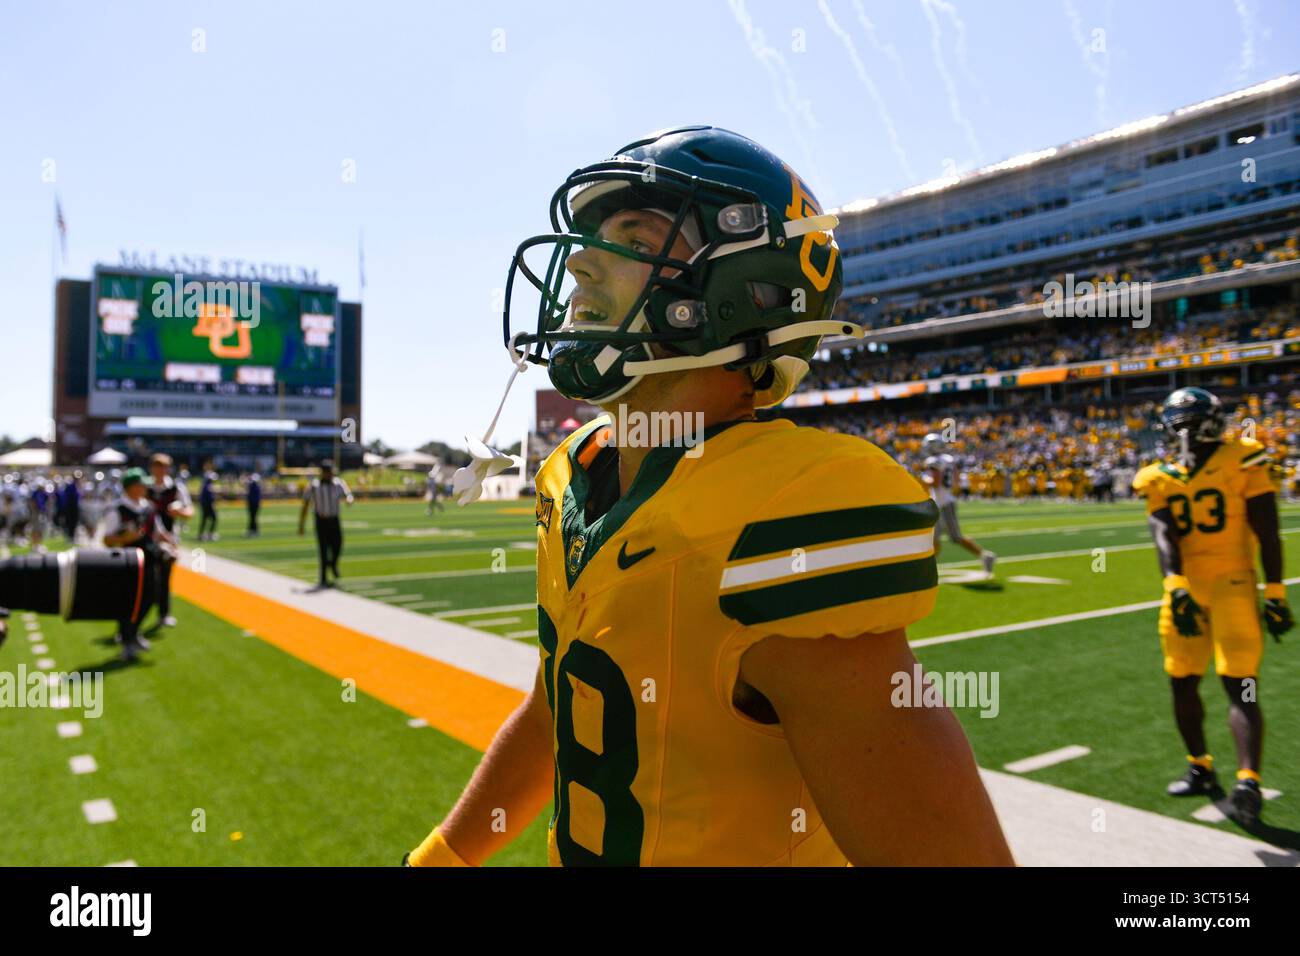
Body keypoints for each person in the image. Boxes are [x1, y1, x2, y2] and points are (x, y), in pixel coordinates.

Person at [407, 127, 1012, 867]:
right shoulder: (572, 475)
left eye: (633, 235)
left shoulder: (784, 506)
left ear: (739, 293)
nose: (583, 263)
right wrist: (439, 859)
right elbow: (552, 716)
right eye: (590, 238)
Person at [1133, 387, 1293, 826]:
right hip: (1189, 587)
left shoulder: (1243, 457)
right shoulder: (1159, 475)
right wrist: (1176, 584)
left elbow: (1266, 528)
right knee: (1182, 680)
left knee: (1239, 683)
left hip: (1233, 582)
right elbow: (1163, 534)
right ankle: (1200, 766)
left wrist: (1275, 591)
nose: (1181, 432)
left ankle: (1247, 781)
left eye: (1184, 424)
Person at [101, 468, 174, 662]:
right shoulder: (117, 509)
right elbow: (107, 539)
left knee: (150, 598)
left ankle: (134, 633)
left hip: (148, 560)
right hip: (126, 562)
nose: (145, 488)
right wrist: (124, 538)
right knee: (128, 602)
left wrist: (169, 542)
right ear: (131, 487)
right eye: (141, 484)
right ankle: (127, 640)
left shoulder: (148, 507)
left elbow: (158, 531)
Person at [920, 433, 996, 576]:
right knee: (933, 538)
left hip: (942, 503)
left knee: (955, 537)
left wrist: (923, 479)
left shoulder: (933, 461)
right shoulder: (949, 459)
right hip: (946, 500)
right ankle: (927, 569)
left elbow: (935, 483)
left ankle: (985, 555)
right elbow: (956, 480)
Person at [146, 453, 193, 628]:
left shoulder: (176, 488)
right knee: (148, 578)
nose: (160, 470)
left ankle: (163, 613)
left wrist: (179, 512)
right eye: (157, 466)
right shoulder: (145, 488)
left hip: (169, 539)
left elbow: (189, 511)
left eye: (163, 467)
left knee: (165, 577)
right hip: (147, 539)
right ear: (152, 468)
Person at [298, 459, 353, 587]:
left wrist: (349, 500)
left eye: (330, 471)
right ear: (322, 472)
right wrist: (301, 524)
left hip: (334, 520)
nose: (329, 474)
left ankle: (333, 564)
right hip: (321, 520)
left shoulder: (338, 483)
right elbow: (305, 504)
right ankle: (323, 578)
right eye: (327, 471)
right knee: (322, 549)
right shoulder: (314, 485)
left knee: (338, 544)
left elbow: (348, 494)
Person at [197, 463, 218, 541]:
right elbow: (209, 497)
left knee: (204, 519)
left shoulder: (205, 484)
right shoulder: (208, 485)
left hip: (204, 504)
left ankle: (201, 534)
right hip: (207, 504)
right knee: (214, 518)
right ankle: (210, 534)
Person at [246, 472, 262, 537]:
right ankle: (252, 530)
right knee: (253, 518)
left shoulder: (253, 486)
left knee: (253, 518)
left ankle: (254, 531)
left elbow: (253, 497)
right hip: (254, 504)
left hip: (253, 504)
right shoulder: (254, 485)